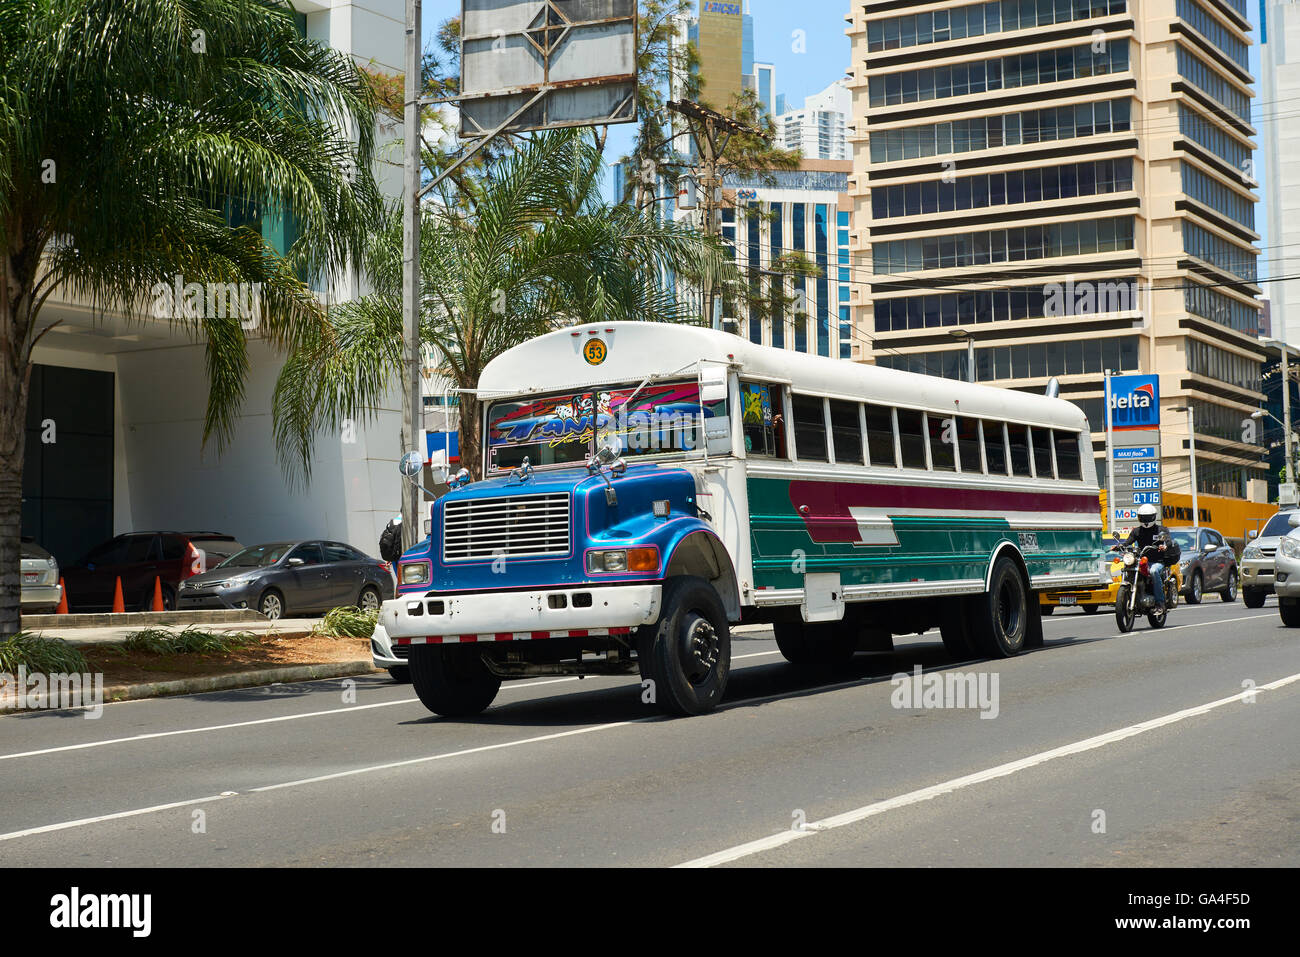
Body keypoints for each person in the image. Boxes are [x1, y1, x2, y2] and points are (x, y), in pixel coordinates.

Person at [1123, 503, 1178, 613]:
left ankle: (1160, 603)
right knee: (1129, 569)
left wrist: (1165, 545)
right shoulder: (1137, 531)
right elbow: (1128, 541)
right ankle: (1126, 597)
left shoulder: (1161, 530)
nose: (1145, 519)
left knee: (1153, 571)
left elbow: (1167, 540)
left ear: (1153, 517)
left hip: (1158, 561)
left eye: (1148, 517)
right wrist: (1120, 546)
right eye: (1143, 517)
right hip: (1142, 561)